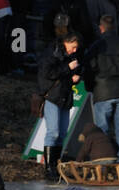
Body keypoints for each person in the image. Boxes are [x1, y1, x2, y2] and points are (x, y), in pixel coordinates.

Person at [85, 14, 119, 163]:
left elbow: (88, 68)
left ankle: (104, 162)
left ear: (101, 28)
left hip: (102, 91)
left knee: (102, 130)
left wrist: (90, 87)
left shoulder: (97, 46)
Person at [36, 31, 82, 180]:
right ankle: (48, 169)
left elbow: (75, 69)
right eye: (73, 47)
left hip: (65, 97)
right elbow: (48, 73)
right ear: (66, 42)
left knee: (62, 134)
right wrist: (68, 69)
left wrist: (76, 75)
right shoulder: (52, 53)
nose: (75, 50)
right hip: (53, 97)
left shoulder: (71, 56)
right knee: (53, 132)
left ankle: (56, 167)